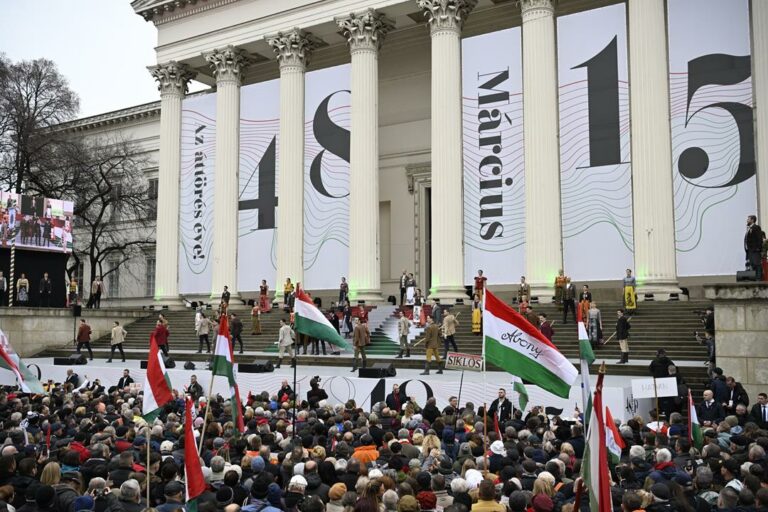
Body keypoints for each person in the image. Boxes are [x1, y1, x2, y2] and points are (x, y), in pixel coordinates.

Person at [745, 215, 763, 280]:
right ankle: (755, 280)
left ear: (752, 220)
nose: (747, 220)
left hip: (755, 251)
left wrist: (758, 249)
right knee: (753, 265)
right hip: (750, 251)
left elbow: (759, 238)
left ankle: (759, 280)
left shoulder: (756, 227)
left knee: (757, 265)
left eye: (748, 219)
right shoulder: (749, 228)